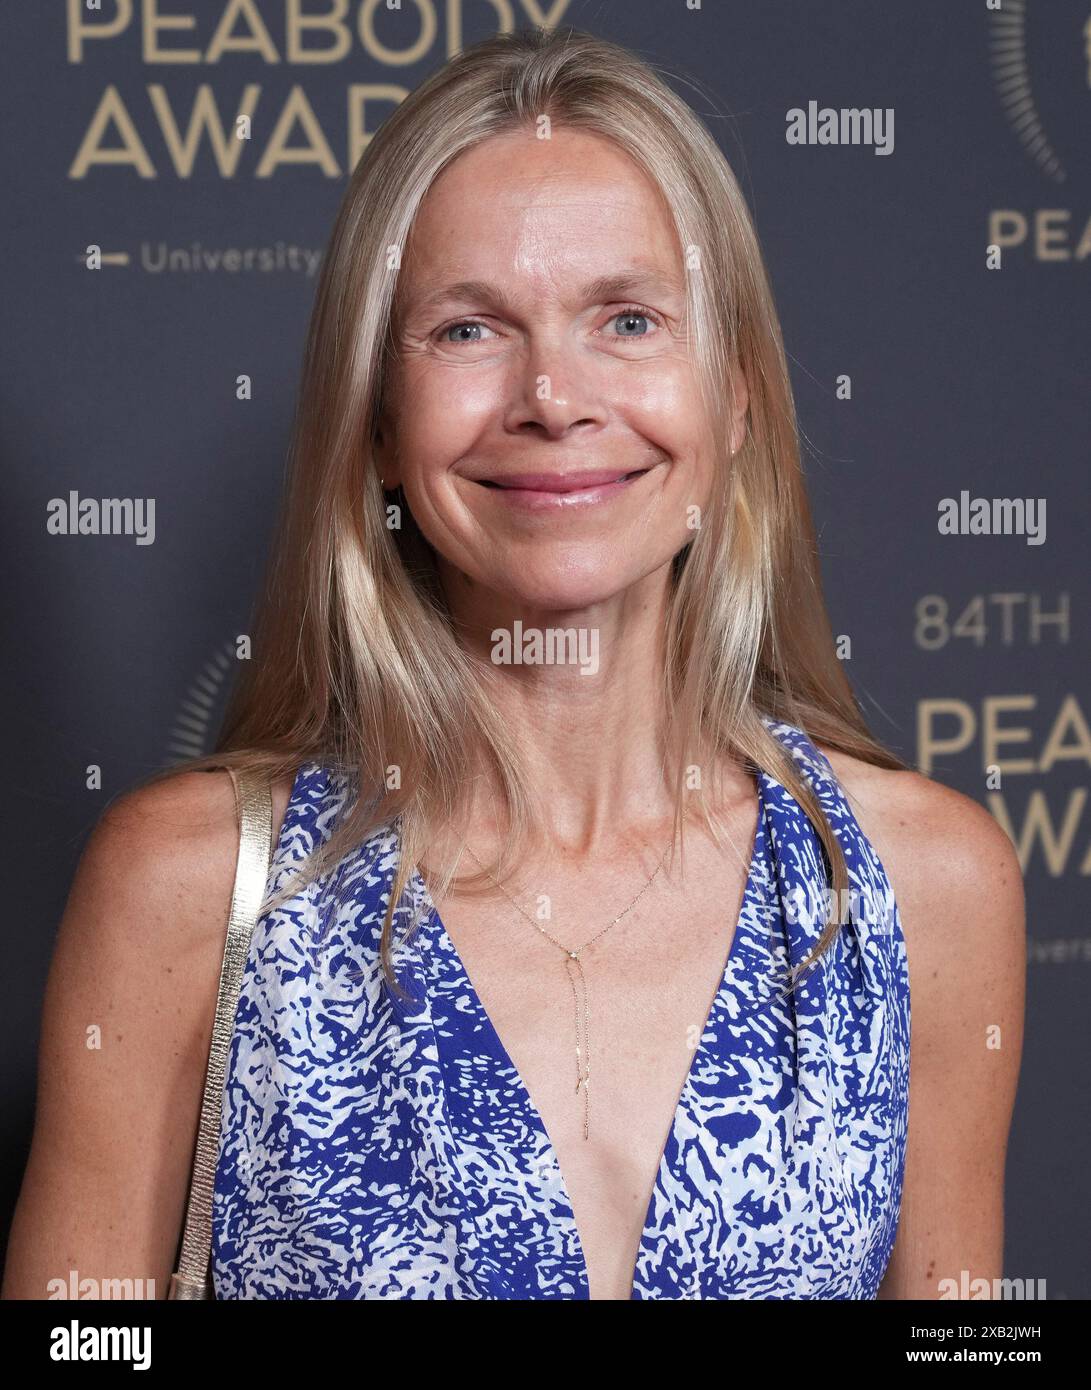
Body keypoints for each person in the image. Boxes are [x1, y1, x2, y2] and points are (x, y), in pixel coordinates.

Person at [2, 27, 1024, 1301]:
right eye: (469, 329)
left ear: (737, 400)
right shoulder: (193, 888)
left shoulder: (918, 888)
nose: (553, 395)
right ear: (375, 421)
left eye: (629, 319)